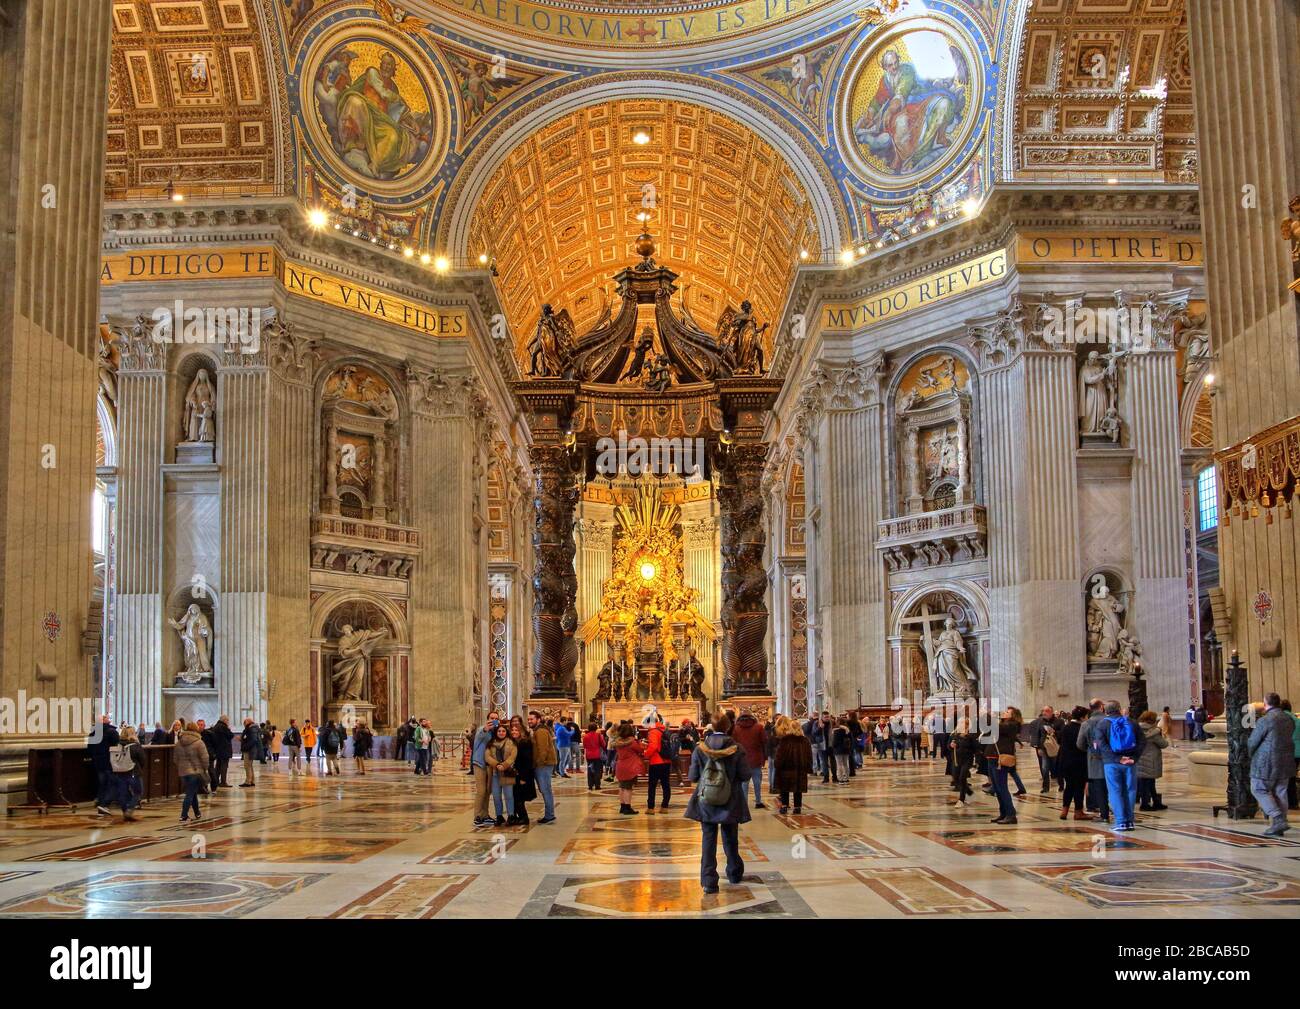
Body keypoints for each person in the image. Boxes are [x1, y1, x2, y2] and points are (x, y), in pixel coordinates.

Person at [685, 712, 752, 894]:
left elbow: (692, 776)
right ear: (728, 726)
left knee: (708, 838)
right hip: (731, 798)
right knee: (731, 837)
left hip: (707, 799)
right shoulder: (736, 749)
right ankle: (733, 872)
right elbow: (746, 775)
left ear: (711, 727)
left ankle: (709, 881)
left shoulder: (700, 749)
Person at [1248, 692, 1297, 836]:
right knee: (1280, 791)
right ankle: (1281, 823)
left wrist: (1251, 754)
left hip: (1266, 761)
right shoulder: (1289, 719)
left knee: (1258, 788)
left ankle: (1277, 818)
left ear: (1265, 704)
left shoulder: (1265, 720)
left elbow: (1253, 741)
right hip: (1286, 760)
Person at [1093, 700, 1146, 831]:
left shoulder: (1102, 724)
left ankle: (1121, 821)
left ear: (1105, 710)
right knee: (1130, 791)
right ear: (1119, 709)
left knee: (1115, 791)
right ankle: (1129, 821)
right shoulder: (1131, 722)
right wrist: (1134, 758)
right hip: (1130, 762)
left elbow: (1102, 745)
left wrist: (1117, 758)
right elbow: (1142, 741)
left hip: (1112, 763)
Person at [987, 707, 1022, 824]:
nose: (1004, 712)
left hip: (1000, 759)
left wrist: (987, 717)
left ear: (1013, 716)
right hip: (992, 757)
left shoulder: (1012, 725)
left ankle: (1011, 815)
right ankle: (1003, 813)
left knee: (1002, 788)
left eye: (1007, 712)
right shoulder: (1002, 724)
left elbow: (997, 727)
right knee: (997, 788)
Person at [1056, 706, 1092, 820]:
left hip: (1066, 761)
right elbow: (1083, 744)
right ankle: (1078, 811)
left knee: (1069, 786)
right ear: (1082, 717)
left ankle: (1064, 810)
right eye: (1086, 716)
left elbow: (1059, 741)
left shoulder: (1066, 728)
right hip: (1078, 761)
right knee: (1079, 787)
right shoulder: (1082, 728)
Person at [1077, 698, 1109, 822]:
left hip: (1095, 759)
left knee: (1099, 788)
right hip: (1112, 758)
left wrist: (1090, 750)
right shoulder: (1109, 721)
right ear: (1101, 707)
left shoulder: (1086, 724)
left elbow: (1080, 744)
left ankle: (1104, 814)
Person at [772, 715, 812, 814]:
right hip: (800, 768)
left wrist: (777, 764)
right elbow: (809, 755)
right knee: (798, 789)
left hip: (786, 768)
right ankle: (797, 807)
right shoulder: (805, 740)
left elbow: (780, 755)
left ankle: (784, 806)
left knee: (784, 788)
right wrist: (808, 767)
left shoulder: (785, 740)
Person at [525, 710, 558, 823]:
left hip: (543, 764)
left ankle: (550, 815)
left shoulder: (541, 731)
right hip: (542, 764)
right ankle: (549, 814)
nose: (529, 721)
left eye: (532, 719)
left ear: (538, 720)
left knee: (545, 789)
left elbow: (543, 749)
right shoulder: (536, 730)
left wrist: (539, 763)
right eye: (528, 719)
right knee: (544, 789)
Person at [731, 710, 768, 807]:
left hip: (742, 759)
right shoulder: (759, 727)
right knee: (757, 781)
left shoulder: (736, 728)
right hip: (756, 757)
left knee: (744, 782)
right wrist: (764, 756)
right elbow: (764, 741)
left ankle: (744, 803)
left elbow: (733, 744)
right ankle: (758, 801)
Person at [109, 725, 146, 822]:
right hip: (134, 772)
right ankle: (129, 810)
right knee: (138, 792)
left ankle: (125, 811)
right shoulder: (136, 746)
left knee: (122, 793)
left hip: (120, 772)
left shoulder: (118, 745)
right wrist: (140, 768)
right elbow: (143, 760)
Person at [175, 721, 209, 822]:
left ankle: (197, 812)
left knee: (192, 791)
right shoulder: (199, 742)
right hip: (195, 771)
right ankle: (183, 815)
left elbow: (175, 759)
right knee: (190, 793)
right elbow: (205, 758)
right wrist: (205, 768)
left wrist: (180, 767)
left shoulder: (179, 742)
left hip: (183, 772)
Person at [485, 723, 518, 826]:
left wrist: (504, 765)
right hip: (495, 773)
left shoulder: (511, 742)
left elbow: (513, 755)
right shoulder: (491, 743)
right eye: (499, 731)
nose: (501, 733)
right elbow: (487, 756)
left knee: (508, 795)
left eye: (503, 731)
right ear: (496, 732)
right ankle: (499, 816)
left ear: (506, 732)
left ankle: (511, 815)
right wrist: (497, 764)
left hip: (507, 772)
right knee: (496, 796)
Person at [88, 715, 121, 816]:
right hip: (110, 762)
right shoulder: (111, 731)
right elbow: (117, 745)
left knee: (102, 783)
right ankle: (104, 804)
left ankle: (99, 800)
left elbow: (89, 748)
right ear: (105, 721)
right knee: (113, 783)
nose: (109, 720)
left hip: (98, 762)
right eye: (108, 719)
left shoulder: (93, 733)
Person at [1135, 710, 1168, 811]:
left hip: (1139, 759)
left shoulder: (1136, 729)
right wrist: (1159, 731)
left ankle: (1155, 801)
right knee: (1149, 783)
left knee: (1146, 782)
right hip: (1151, 761)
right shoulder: (1154, 733)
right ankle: (1145, 804)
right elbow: (1164, 744)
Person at [610, 722, 645, 815]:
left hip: (620, 765)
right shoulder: (632, 742)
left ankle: (622, 806)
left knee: (621, 787)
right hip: (630, 766)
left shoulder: (618, 742)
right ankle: (628, 807)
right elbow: (640, 750)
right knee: (628, 788)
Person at [1027, 706, 1063, 793]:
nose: (1044, 713)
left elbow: (1063, 733)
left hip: (1055, 748)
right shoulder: (1040, 722)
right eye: (1043, 711)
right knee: (1044, 768)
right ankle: (1045, 787)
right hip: (1044, 748)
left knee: (1056, 767)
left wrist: (1054, 732)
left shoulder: (1059, 721)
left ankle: (1061, 785)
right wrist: (1037, 747)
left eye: (1047, 711)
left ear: (1052, 712)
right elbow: (1037, 735)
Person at [645, 715, 673, 812]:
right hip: (666, 761)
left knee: (652, 785)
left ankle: (650, 808)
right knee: (666, 784)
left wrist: (646, 754)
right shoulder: (664, 730)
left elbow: (653, 746)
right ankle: (664, 807)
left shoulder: (653, 731)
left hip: (656, 761)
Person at [949, 717, 980, 807]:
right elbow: (948, 746)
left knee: (962, 778)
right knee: (956, 779)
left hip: (967, 760)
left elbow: (976, 749)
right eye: (960, 723)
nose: (961, 724)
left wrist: (977, 761)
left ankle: (961, 800)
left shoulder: (971, 735)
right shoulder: (954, 734)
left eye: (964, 723)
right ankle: (969, 792)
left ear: (967, 725)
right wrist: (951, 746)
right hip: (956, 760)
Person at [510, 723, 535, 825]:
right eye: (512, 730)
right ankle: (519, 816)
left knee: (519, 797)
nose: (514, 732)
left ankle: (524, 817)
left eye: (516, 730)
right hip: (517, 773)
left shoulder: (524, 743)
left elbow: (527, 761)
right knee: (516, 796)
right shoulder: (515, 742)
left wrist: (523, 777)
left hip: (523, 774)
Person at [582, 721, 604, 790]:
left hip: (589, 755)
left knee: (590, 769)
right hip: (597, 755)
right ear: (596, 728)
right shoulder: (598, 735)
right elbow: (603, 744)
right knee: (597, 770)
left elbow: (584, 746)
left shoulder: (585, 736)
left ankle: (590, 785)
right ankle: (597, 785)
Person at [238, 717, 260, 787]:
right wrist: (242, 740)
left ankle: (248, 781)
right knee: (249, 766)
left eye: (244, 723)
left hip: (249, 750)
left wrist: (246, 746)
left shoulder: (251, 729)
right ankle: (252, 780)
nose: (244, 724)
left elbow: (253, 740)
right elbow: (248, 739)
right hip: (250, 749)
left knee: (247, 766)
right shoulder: (251, 728)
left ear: (247, 722)